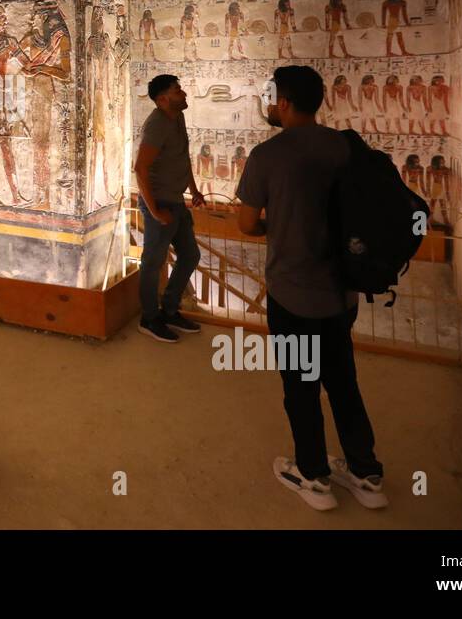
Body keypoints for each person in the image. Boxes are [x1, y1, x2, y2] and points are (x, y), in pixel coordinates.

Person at [235, 65, 386, 512]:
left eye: (270, 97)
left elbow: (246, 224)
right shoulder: (343, 147)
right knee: (343, 382)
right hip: (341, 292)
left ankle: (313, 475)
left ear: (283, 103)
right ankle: (366, 473)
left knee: (301, 386)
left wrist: (277, 225)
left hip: (293, 294)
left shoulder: (268, 155)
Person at [133, 74, 205, 343]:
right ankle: (149, 319)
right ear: (163, 99)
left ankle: (170, 309)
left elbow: (181, 157)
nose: (183, 93)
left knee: (190, 255)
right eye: (177, 91)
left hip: (175, 201)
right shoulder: (157, 124)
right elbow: (140, 168)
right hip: (159, 203)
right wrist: (153, 212)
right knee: (152, 263)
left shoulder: (177, 118)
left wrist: (194, 190)